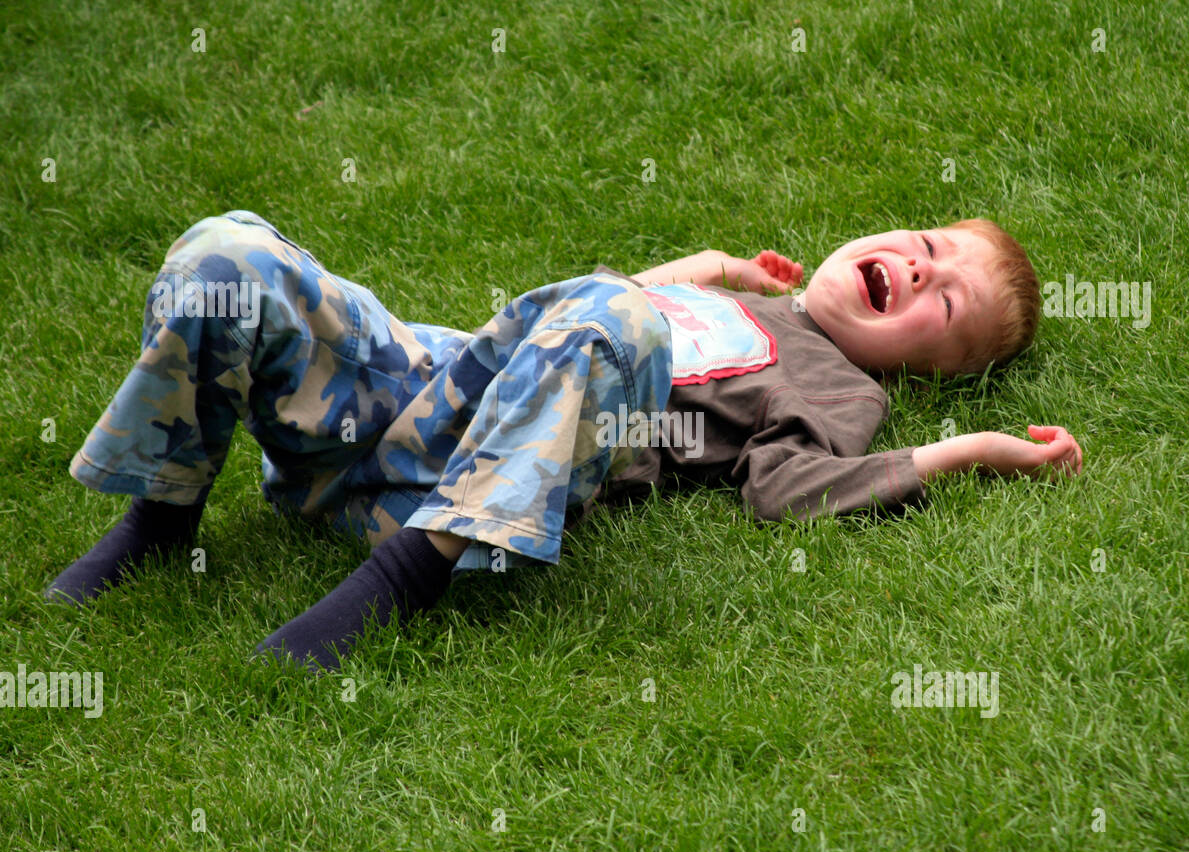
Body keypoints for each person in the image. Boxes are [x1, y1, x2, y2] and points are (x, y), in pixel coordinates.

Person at [45, 211, 1082, 670]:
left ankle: (404, 582)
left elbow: (791, 488)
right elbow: (597, 308)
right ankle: (161, 513)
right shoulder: (747, 296)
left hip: (454, 494)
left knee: (618, 317)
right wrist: (707, 268)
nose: (920, 268)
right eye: (931, 245)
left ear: (925, 370)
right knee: (229, 250)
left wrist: (973, 450)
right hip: (400, 396)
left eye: (944, 304)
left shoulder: (842, 390)